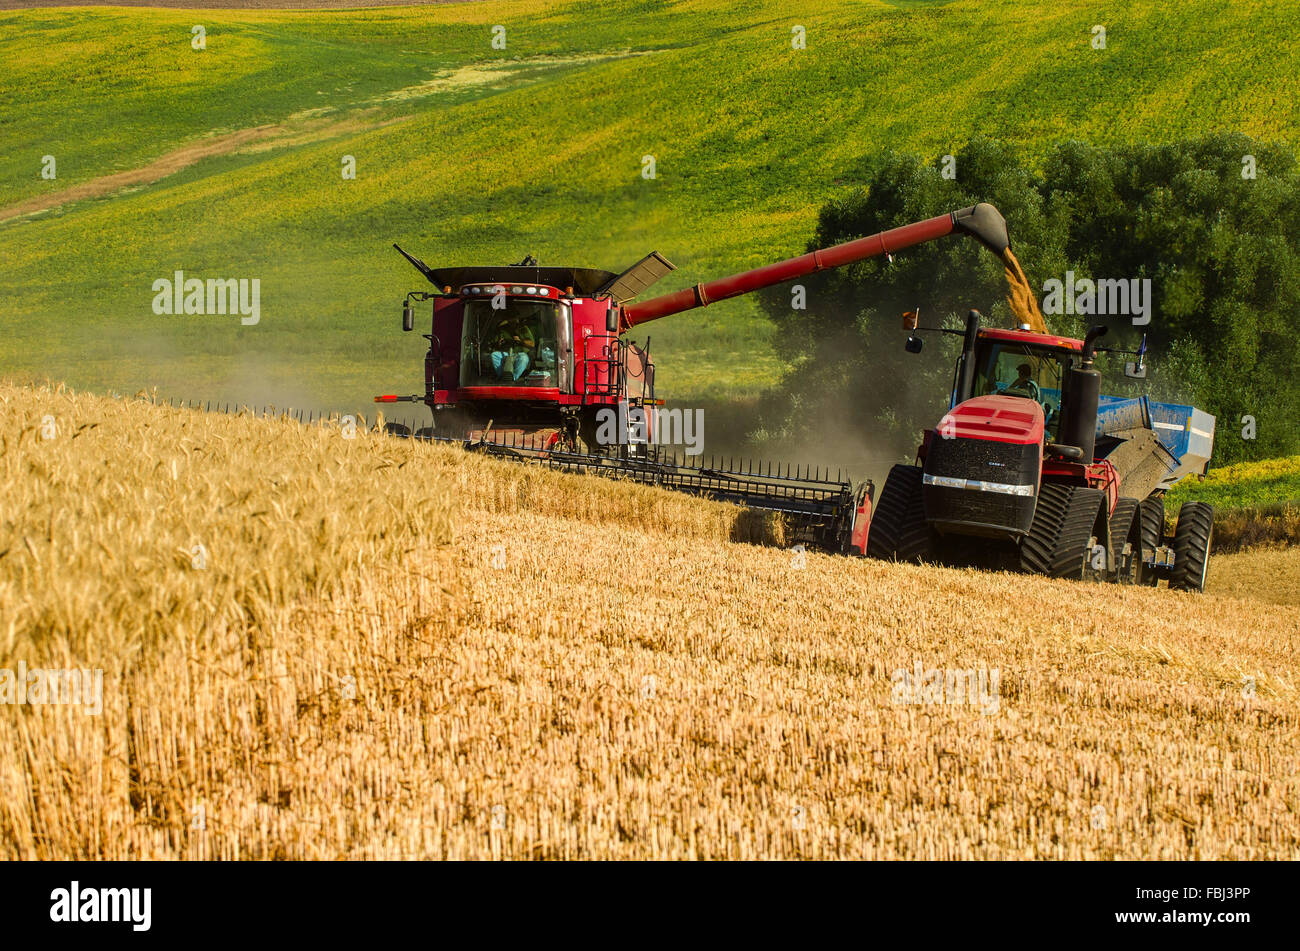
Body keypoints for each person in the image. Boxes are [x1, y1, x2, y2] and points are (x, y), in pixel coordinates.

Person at [489, 314, 535, 381]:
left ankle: (513, 378)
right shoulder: (502, 329)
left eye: (514, 318)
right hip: (505, 353)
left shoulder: (523, 329)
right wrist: (499, 343)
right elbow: (494, 344)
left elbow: (532, 344)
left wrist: (520, 341)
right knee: (494, 355)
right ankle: (502, 377)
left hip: (519, 354)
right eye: (510, 318)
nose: (513, 320)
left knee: (524, 358)